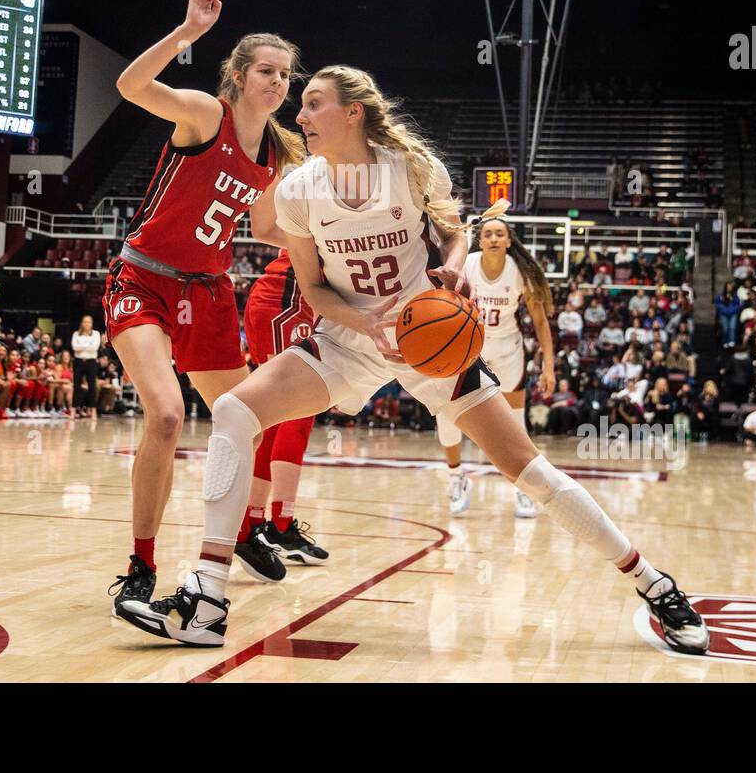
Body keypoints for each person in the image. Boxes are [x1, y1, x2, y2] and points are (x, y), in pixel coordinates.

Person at [113, 64, 708, 654]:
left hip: (429, 339)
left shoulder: (410, 169)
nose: (299, 114)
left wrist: (452, 265)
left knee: (529, 470)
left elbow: (455, 232)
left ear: (354, 112)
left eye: (314, 103)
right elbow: (314, 287)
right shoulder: (298, 190)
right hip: (352, 339)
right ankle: (207, 598)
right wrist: (363, 322)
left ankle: (653, 582)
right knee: (237, 412)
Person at [104, 0, 306, 608]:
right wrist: (188, 32)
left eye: (286, 76)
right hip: (144, 276)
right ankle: (141, 564)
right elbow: (131, 87)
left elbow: (269, 228)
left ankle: (244, 530)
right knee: (166, 415)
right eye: (267, 72)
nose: (277, 83)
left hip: (210, 291)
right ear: (240, 76)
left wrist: (336, 243)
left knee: (245, 417)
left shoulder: (277, 152)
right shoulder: (204, 114)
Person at [441, 211, 555, 517]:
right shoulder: (467, 264)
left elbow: (541, 322)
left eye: (499, 234)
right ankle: (455, 478)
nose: (493, 238)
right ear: (480, 239)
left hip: (507, 351)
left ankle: (524, 489)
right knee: (446, 415)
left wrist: (549, 368)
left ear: (508, 240)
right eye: (488, 233)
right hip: (468, 349)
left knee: (515, 425)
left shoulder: (521, 272)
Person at [238, 249, 328, 572]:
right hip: (286, 299)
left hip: (293, 299)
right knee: (298, 409)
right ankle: (272, 525)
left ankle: (258, 522)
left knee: (282, 413)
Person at [71, 315, 101, 415]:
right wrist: (88, 346)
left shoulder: (96, 334)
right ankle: (74, 409)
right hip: (78, 361)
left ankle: (92, 410)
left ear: (91, 324)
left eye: (89, 322)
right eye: (85, 322)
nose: (87, 324)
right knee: (77, 386)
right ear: (82, 323)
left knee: (92, 386)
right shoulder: (76, 334)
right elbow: (74, 347)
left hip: (91, 361)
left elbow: (95, 347)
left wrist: (82, 347)